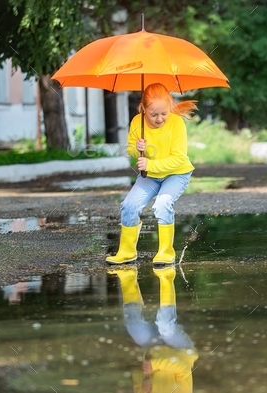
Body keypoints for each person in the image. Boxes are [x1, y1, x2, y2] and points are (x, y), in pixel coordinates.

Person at [106, 83, 196, 265]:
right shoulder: (136, 122)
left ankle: (165, 252)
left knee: (162, 204)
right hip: (151, 176)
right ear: (143, 108)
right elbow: (131, 150)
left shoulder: (177, 123)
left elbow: (178, 159)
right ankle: (127, 251)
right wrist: (136, 148)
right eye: (154, 114)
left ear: (170, 106)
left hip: (176, 174)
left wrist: (150, 163)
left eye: (164, 113)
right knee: (129, 206)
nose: (160, 119)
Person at [108, 265, 198, 393]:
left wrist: (143, 382)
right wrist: (155, 365)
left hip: (154, 349)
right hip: (181, 349)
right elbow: (183, 368)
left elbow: (137, 372)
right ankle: (166, 276)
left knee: (134, 328)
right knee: (165, 327)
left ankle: (127, 276)